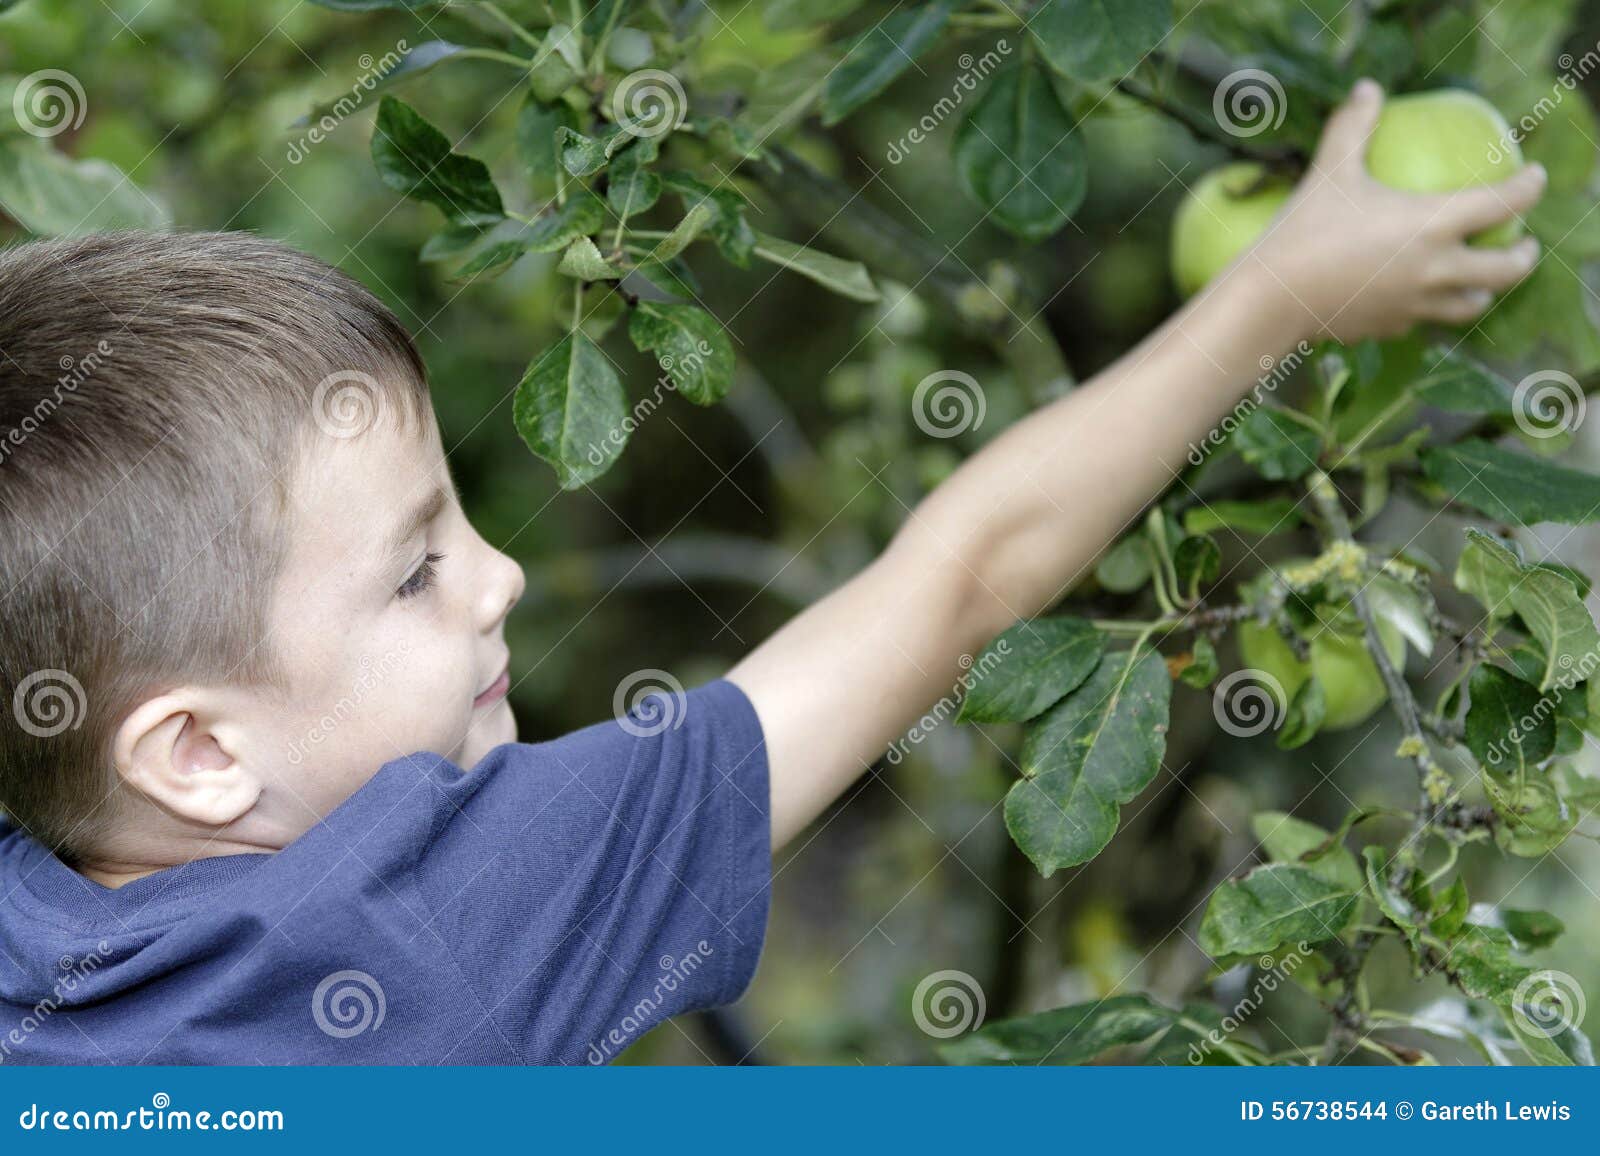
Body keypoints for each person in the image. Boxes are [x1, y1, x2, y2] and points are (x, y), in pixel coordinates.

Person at [0, 81, 1545, 1063]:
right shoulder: (445, 915)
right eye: (413, 575)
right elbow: (960, 581)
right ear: (195, 751)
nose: (502, 582)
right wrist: (1283, 292)